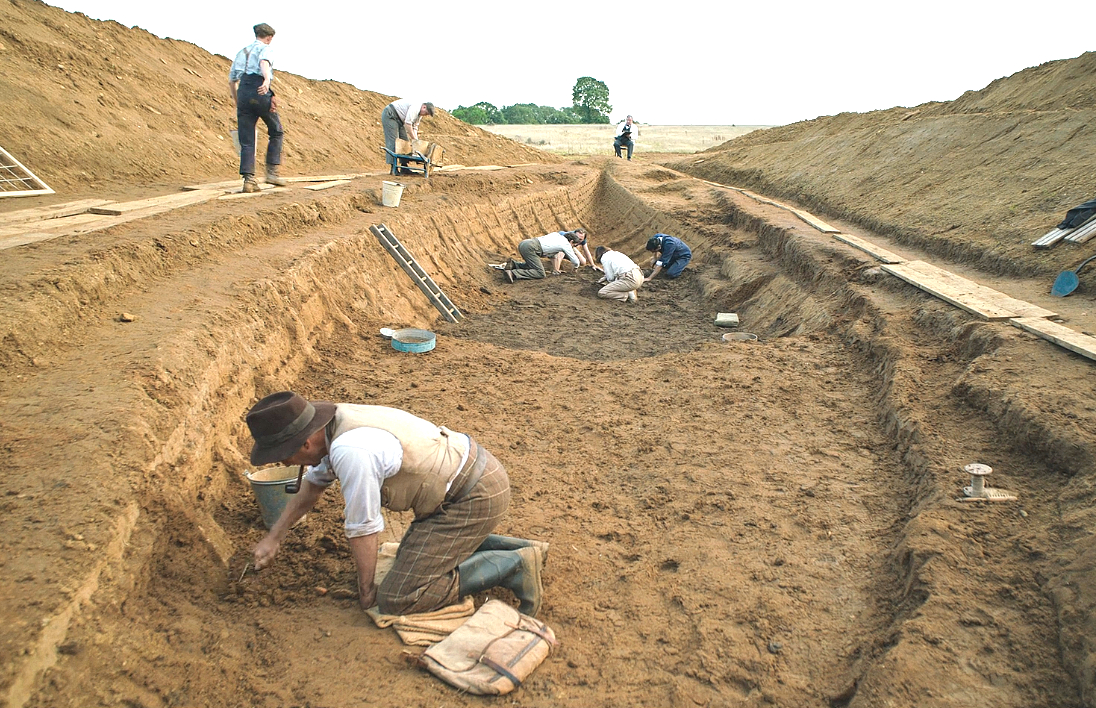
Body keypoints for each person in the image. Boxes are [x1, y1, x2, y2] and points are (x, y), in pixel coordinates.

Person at [246, 391, 547, 617]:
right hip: (469, 480)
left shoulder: (351, 451)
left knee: (399, 597)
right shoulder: (332, 426)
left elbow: (363, 527)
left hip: (474, 496)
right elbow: (312, 486)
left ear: (305, 443)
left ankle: (513, 566)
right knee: (408, 558)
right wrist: (274, 537)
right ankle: (520, 548)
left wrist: (367, 592)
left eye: (284, 456)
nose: (286, 464)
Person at [229, 23, 286, 193]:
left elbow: (232, 80)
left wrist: (237, 101)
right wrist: (266, 81)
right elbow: (264, 63)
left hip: (243, 92)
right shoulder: (265, 49)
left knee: (247, 139)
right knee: (276, 131)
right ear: (269, 37)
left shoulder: (242, 52)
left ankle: (249, 180)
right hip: (259, 90)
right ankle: (272, 173)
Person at [501, 230, 584, 282]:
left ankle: (513, 264)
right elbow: (576, 261)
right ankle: (513, 273)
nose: (573, 247)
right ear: (571, 241)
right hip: (531, 248)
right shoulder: (566, 244)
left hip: (525, 243)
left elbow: (553, 256)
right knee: (540, 273)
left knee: (533, 266)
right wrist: (575, 269)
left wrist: (556, 270)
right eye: (574, 245)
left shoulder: (556, 235)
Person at [382, 99, 435, 171]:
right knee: (394, 142)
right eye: (425, 113)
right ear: (424, 107)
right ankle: (393, 168)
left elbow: (415, 127)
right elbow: (408, 124)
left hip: (400, 120)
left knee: (405, 142)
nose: (424, 115)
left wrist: (416, 141)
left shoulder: (419, 114)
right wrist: (413, 138)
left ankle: (404, 167)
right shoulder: (416, 107)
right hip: (391, 115)